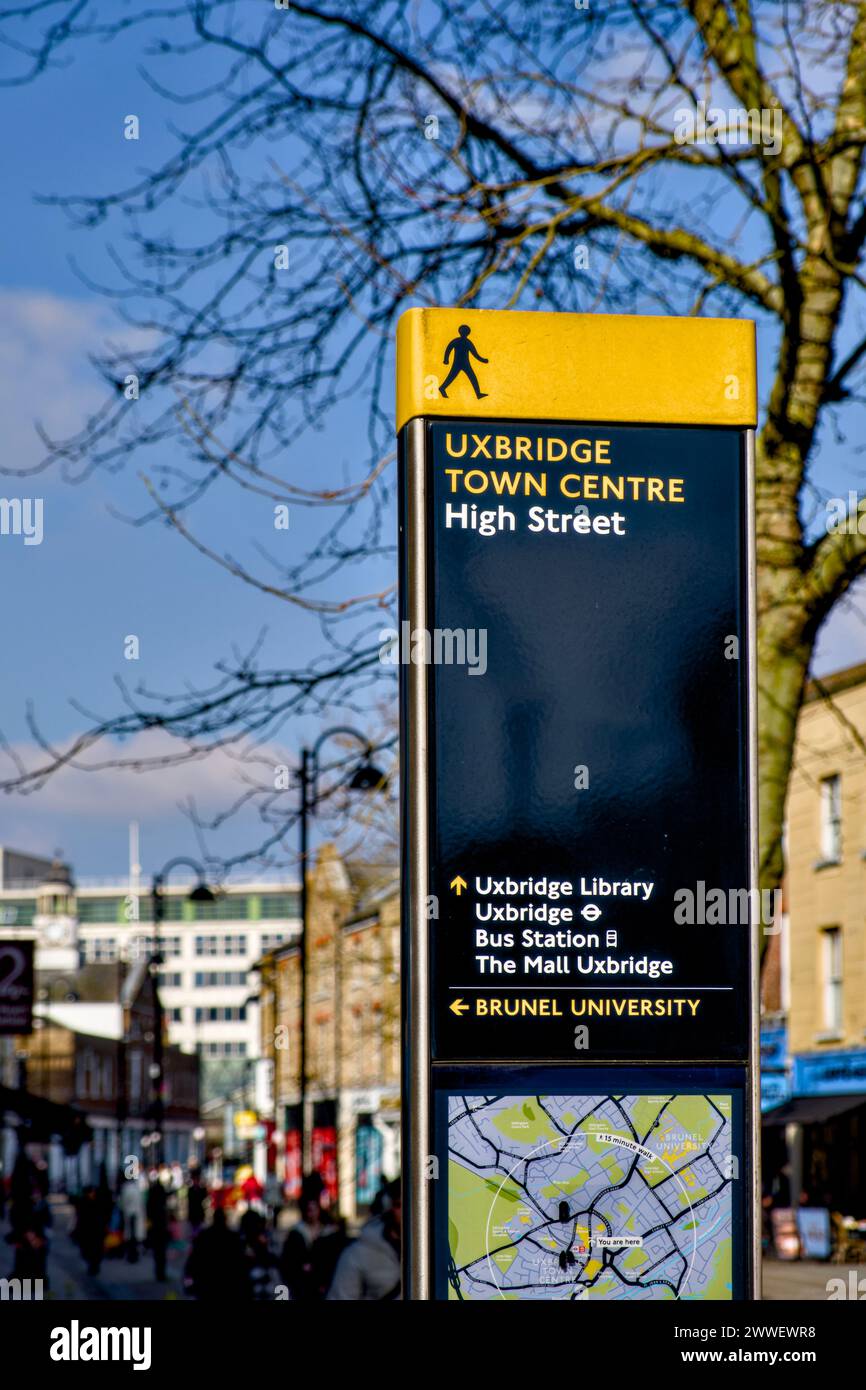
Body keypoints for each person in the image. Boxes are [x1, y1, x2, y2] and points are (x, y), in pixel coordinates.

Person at [327, 1178, 401, 1300]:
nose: (407, 1212)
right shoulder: (357, 1254)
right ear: (388, 1206)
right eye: (399, 1205)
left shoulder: (433, 1250)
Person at [279, 1174, 335, 1300]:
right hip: (302, 1290)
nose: (312, 1212)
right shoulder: (297, 1234)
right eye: (309, 1209)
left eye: (314, 1208)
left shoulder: (329, 1232)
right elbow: (288, 1266)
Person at [184, 1207, 250, 1300]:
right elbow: (241, 1263)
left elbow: (194, 1260)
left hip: (207, 1284)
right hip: (227, 1284)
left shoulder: (204, 1236)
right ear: (225, 1219)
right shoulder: (233, 1238)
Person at [439, 325, 488, 400]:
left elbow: (474, 353)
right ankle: (442, 388)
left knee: (470, 377)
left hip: (463, 363)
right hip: (460, 363)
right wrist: (446, 359)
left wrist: (483, 360)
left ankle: (478, 393)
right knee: (457, 377)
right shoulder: (464, 341)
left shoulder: (461, 341)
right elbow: (449, 349)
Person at [74, 1185, 108, 1277]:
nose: (93, 1194)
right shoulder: (84, 1203)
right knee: (90, 1250)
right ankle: (93, 1266)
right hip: (89, 1232)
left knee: (95, 1251)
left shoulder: (96, 1202)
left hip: (95, 1231)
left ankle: (94, 1266)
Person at [146, 1173, 170, 1281]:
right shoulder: (162, 1208)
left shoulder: (152, 1206)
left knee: (157, 1252)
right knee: (161, 1252)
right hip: (161, 1229)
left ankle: (158, 1272)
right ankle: (161, 1273)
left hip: (155, 1229)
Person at [119, 1173, 147, 1263]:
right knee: (135, 1237)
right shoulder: (137, 1188)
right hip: (137, 1214)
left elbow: (123, 1202)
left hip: (129, 1214)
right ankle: (135, 1255)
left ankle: (131, 1256)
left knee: (130, 1237)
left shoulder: (125, 1188)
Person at [186, 1169, 208, 1235]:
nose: (196, 1181)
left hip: (199, 1212)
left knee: (200, 1230)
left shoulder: (202, 1189)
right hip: (193, 1213)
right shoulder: (190, 1190)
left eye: (197, 1179)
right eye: (195, 1179)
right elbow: (190, 1201)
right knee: (193, 1231)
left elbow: (204, 1197)